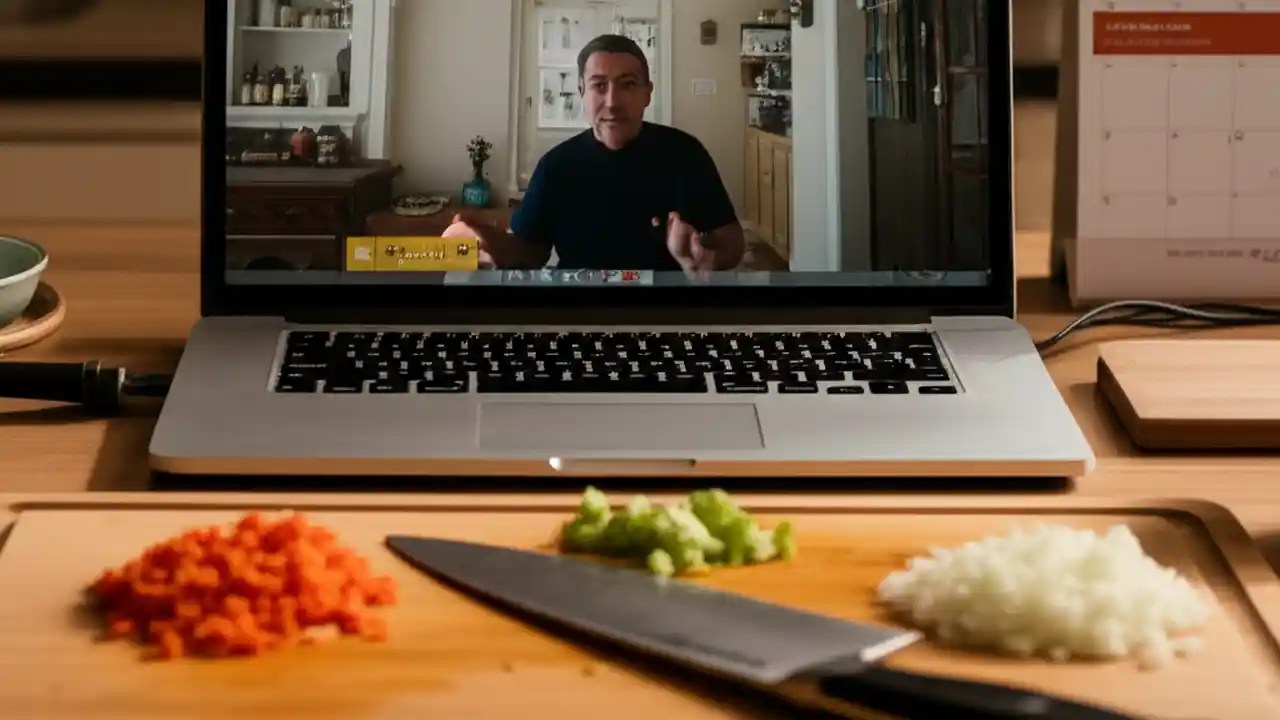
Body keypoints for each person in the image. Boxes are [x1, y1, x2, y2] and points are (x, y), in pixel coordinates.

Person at [443, 34, 746, 273]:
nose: (612, 102)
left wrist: (706, 250)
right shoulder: (556, 166)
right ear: (582, 94)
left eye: (628, 85)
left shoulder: (685, 154)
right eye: (599, 86)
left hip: (665, 314)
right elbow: (532, 252)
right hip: (579, 314)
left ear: (647, 93)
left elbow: (733, 242)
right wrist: (492, 243)